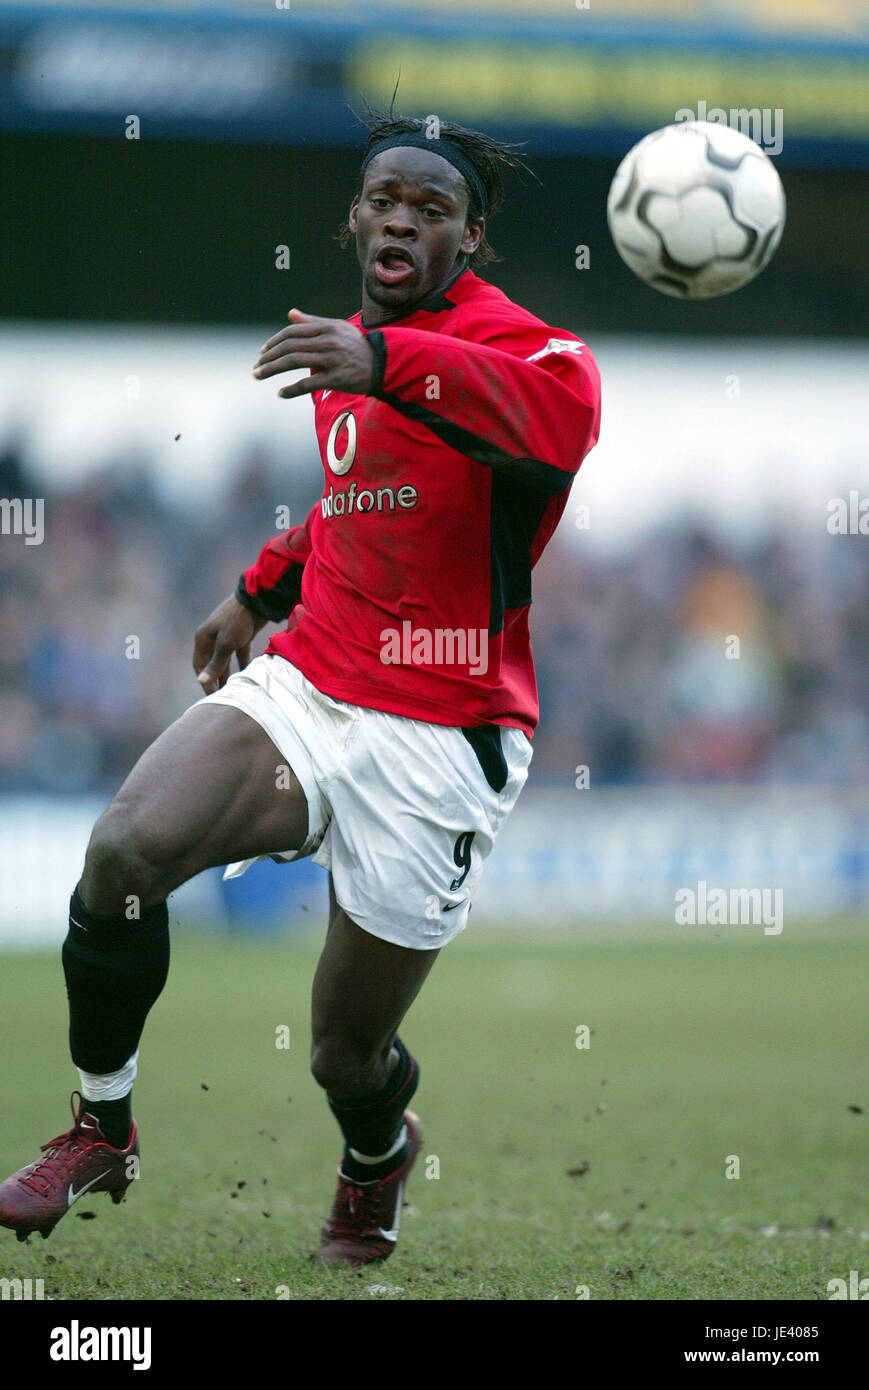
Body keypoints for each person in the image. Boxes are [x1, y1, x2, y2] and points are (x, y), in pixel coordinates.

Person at [0, 107, 601, 1266]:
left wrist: (385, 358)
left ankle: (376, 1150)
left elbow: (562, 419)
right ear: (353, 217)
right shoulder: (349, 347)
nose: (402, 221)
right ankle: (100, 1127)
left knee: (343, 1052)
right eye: (386, 200)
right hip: (313, 681)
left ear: (467, 242)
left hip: (442, 729)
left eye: (433, 212)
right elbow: (367, 501)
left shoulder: (520, 349)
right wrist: (258, 589)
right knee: (126, 852)